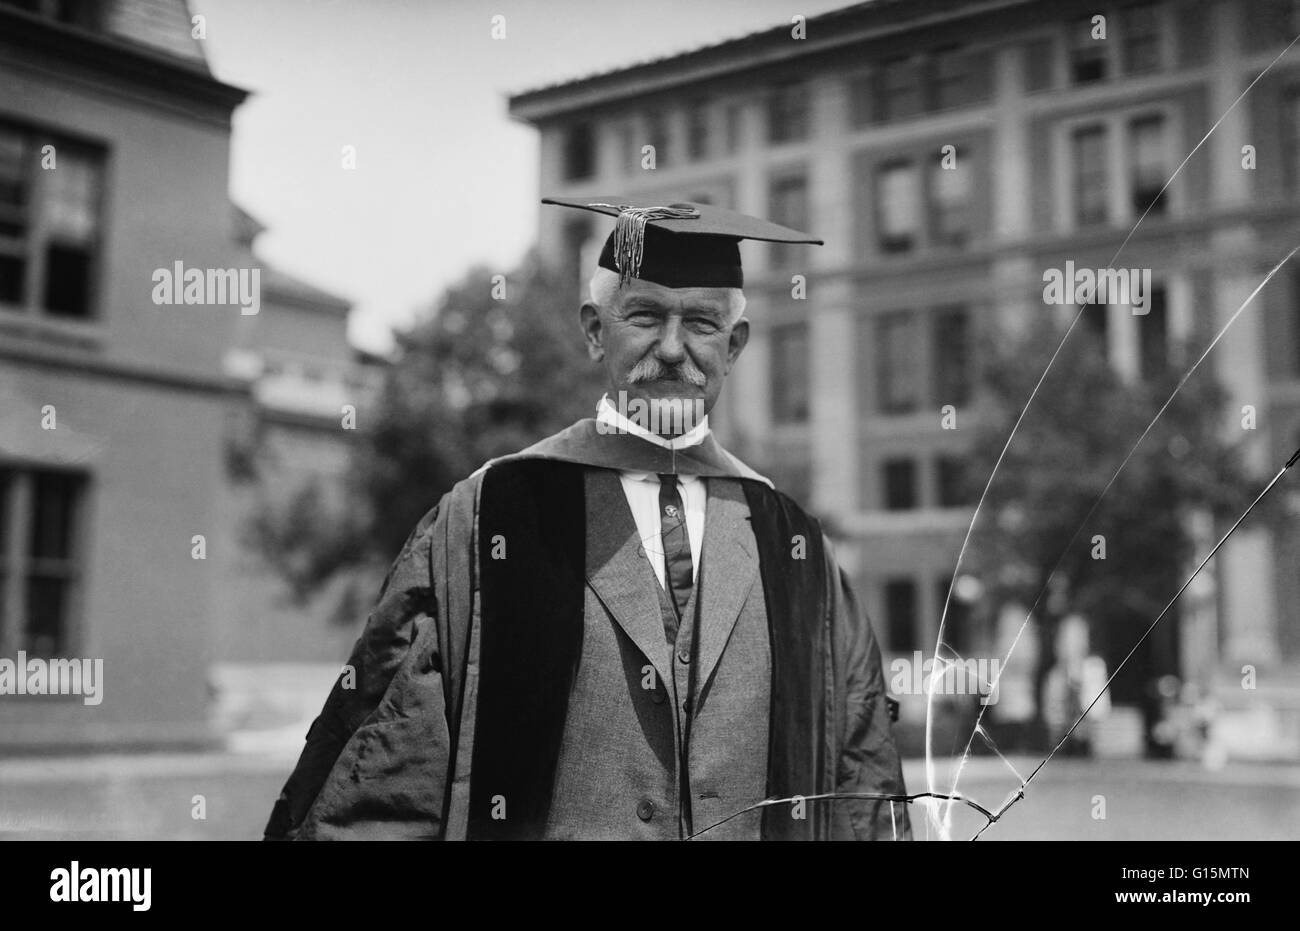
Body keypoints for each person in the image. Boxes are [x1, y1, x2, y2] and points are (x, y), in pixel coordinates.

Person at [263, 198, 910, 840]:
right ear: (596, 330)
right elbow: (384, 790)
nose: (674, 347)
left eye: (703, 323)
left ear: (734, 344)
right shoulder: (491, 517)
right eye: (646, 315)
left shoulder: (792, 542)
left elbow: (863, 787)